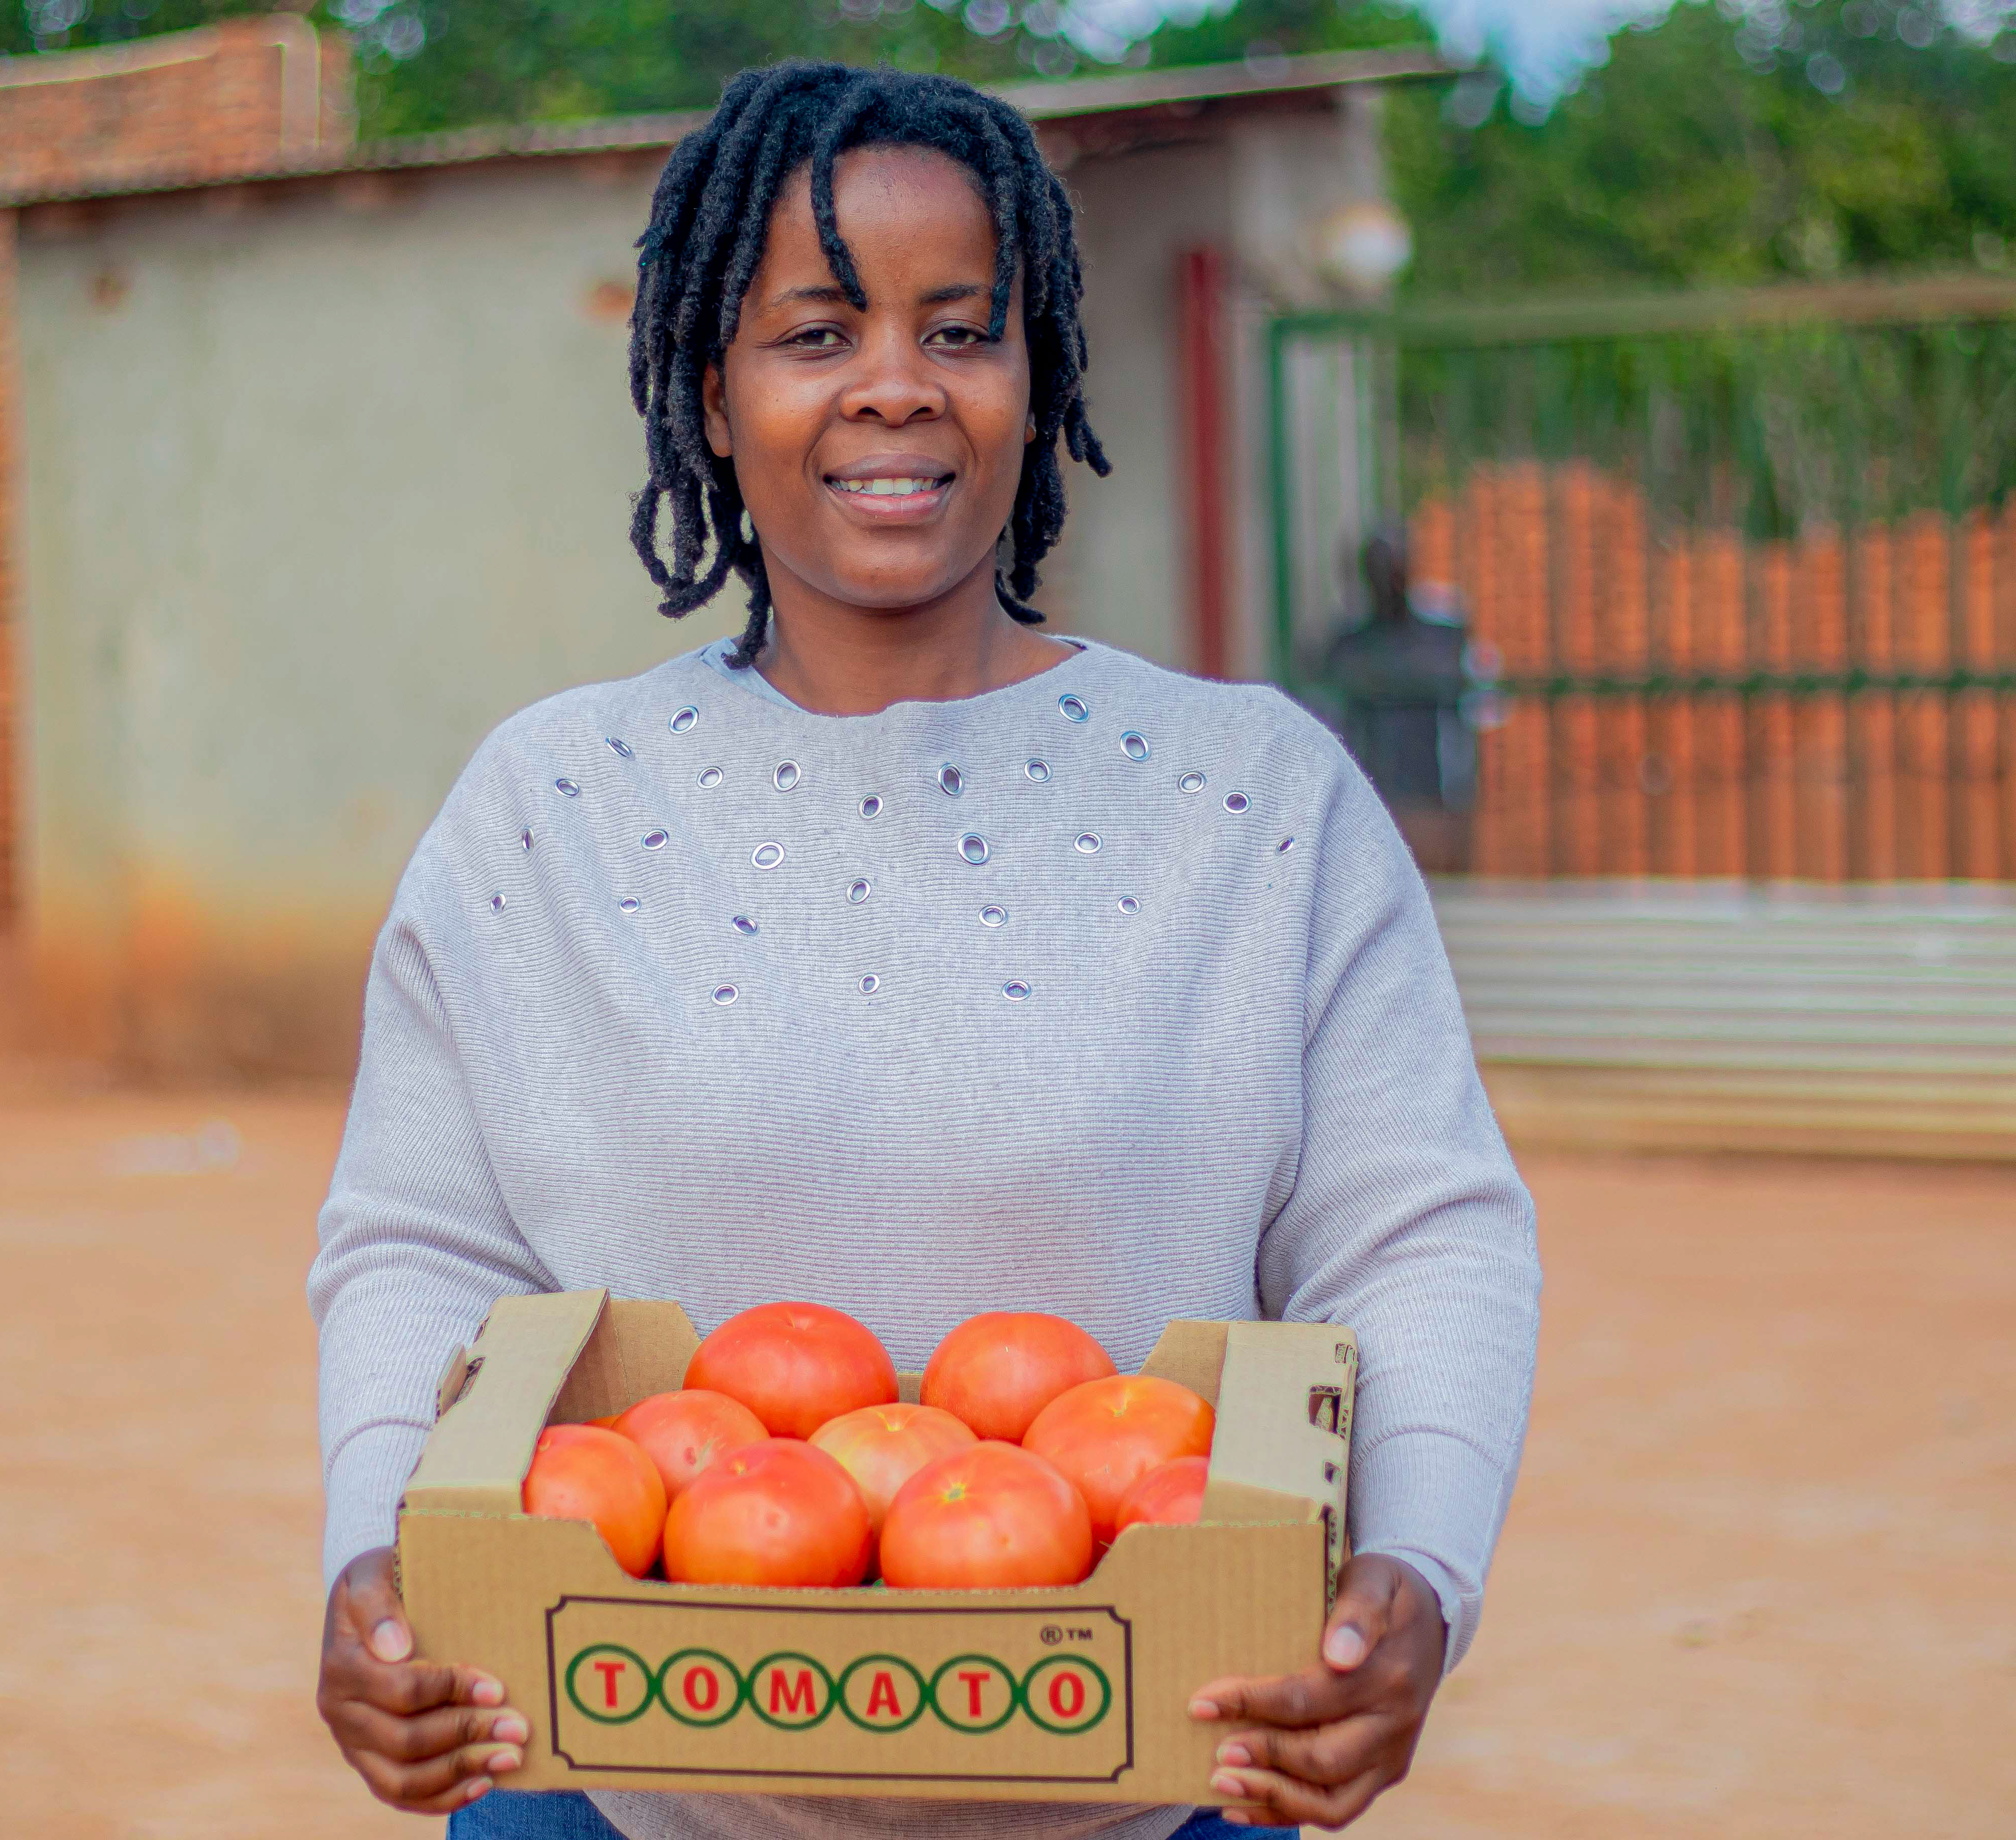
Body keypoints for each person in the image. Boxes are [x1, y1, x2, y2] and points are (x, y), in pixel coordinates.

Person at [310, 62, 1538, 1840]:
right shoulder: (549, 807)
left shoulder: (1255, 798)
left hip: (1165, 1788)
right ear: (708, 394)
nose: (897, 381)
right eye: (814, 331)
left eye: (960, 326)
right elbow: (421, 1240)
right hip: (630, 1794)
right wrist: (377, 1545)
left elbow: (1421, 1229)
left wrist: (1417, 1564)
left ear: (1034, 383)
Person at [1319, 524, 1476, 873]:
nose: (1386, 578)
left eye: (1393, 566)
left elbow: (1465, 729)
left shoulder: (1440, 643)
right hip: (1369, 799)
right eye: (1377, 567)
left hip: (1427, 801)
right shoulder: (1346, 648)